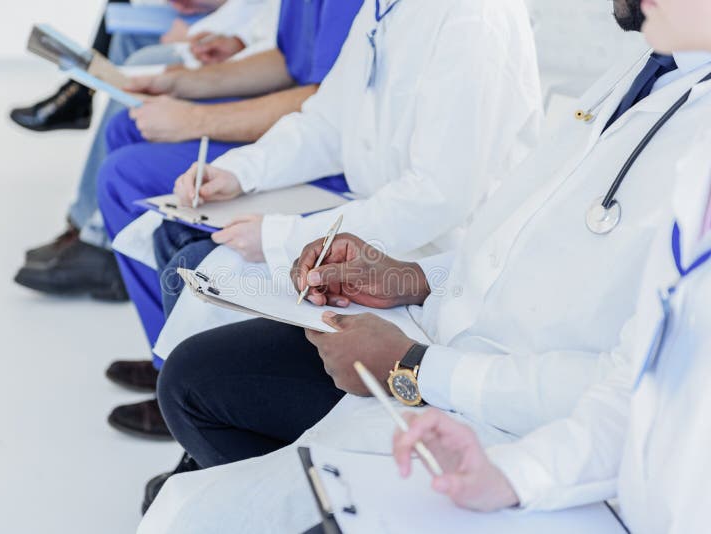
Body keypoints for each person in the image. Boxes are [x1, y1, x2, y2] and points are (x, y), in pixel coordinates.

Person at [139, 1, 711, 532]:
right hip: (452, 327)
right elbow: (518, 240)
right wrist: (407, 279)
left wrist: (414, 367)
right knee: (195, 372)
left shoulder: (476, 21)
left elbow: (638, 389)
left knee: (233, 475)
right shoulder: (653, 67)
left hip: (514, 410)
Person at [392, 2, 711, 531]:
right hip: (552, 451)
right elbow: (637, 384)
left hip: (510, 402)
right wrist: (515, 477)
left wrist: (420, 369)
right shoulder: (654, 83)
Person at [94, 0, 365, 439]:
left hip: (335, 166)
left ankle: (182, 369)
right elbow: (287, 59)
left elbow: (325, 101)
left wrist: (195, 118)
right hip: (308, 127)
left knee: (124, 176)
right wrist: (182, 82)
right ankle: (170, 351)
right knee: (129, 127)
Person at [13, 0, 278, 302]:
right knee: (129, 54)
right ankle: (90, 225)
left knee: (138, 83)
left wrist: (206, 32)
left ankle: (101, 240)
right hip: (240, 33)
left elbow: (295, 65)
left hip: (253, 53)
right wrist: (225, 34)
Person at [9, 0, 218, 132]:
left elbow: (249, 19)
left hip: (221, 30)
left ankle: (79, 93)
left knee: (135, 56)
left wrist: (194, 31)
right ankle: (80, 93)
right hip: (219, 14)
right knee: (121, 21)